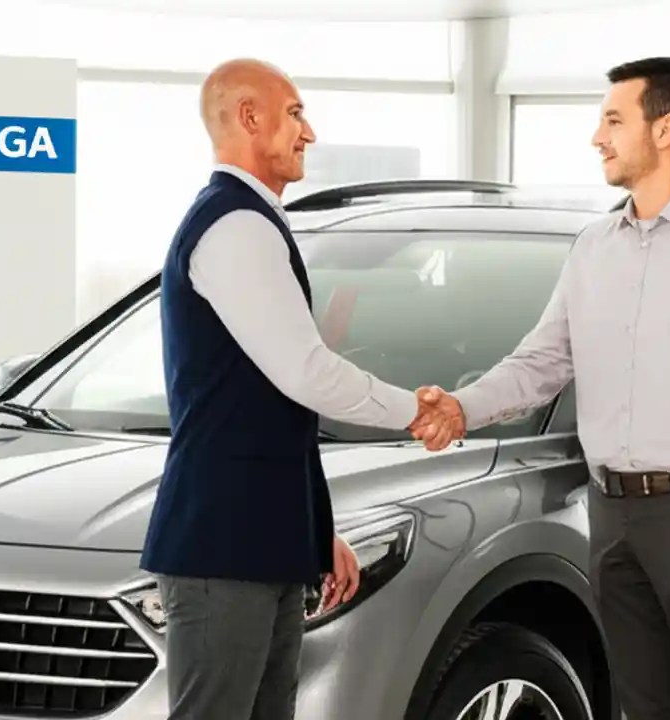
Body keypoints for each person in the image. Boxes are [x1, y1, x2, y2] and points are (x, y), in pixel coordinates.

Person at [413, 57, 670, 719]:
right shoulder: (594, 247)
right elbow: (542, 361)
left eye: (613, 119)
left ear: (666, 130)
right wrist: (462, 407)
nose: (597, 136)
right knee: (643, 706)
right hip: (612, 515)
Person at [139, 58, 446, 720]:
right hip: (225, 545)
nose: (309, 132)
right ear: (250, 117)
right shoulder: (236, 225)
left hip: (256, 540)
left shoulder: (247, 220)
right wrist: (412, 411)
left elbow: (272, 410)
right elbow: (305, 373)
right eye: (296, 113)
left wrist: (314, 530)